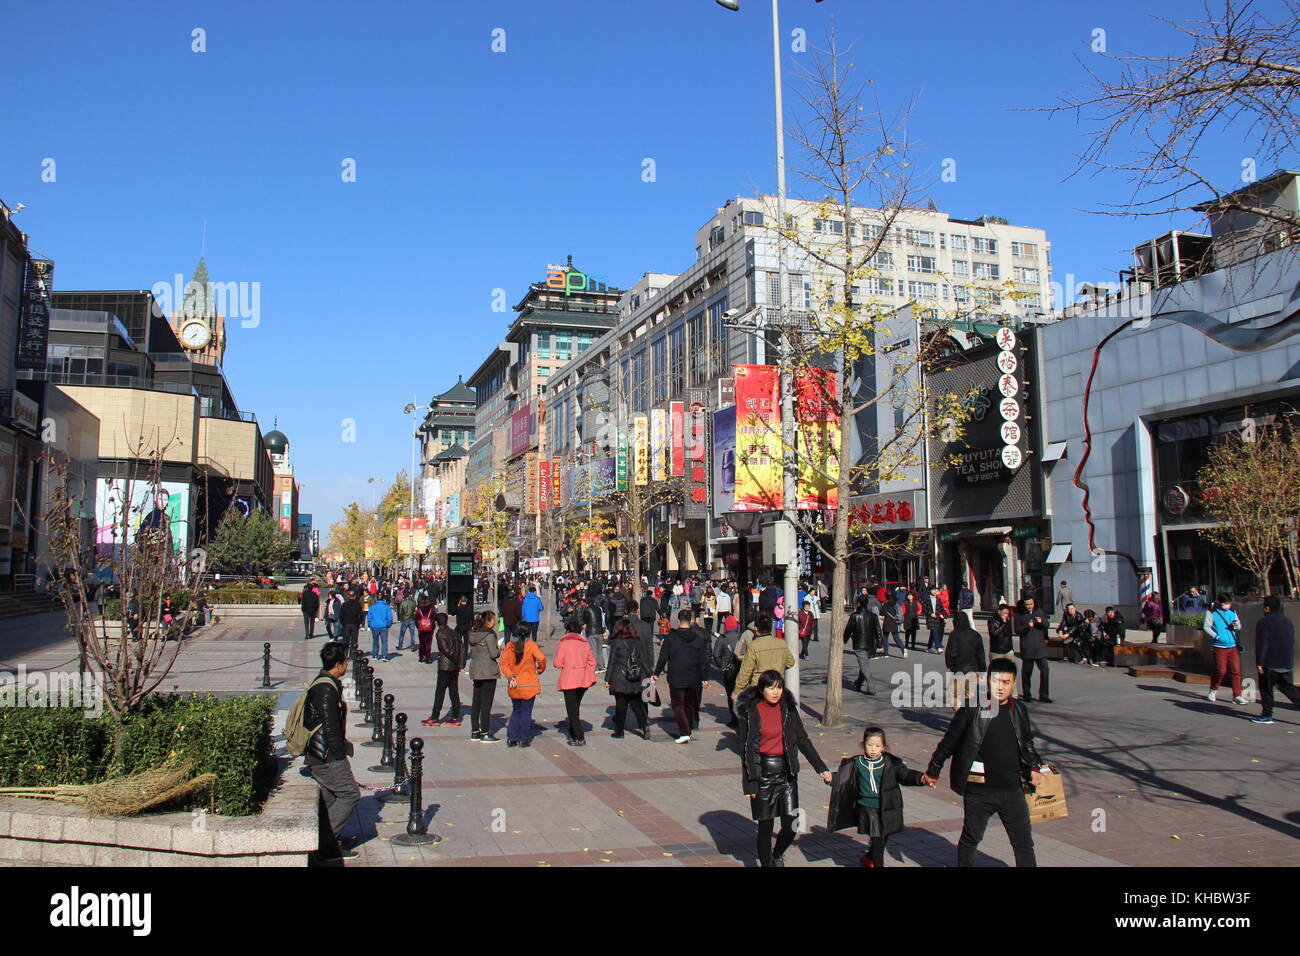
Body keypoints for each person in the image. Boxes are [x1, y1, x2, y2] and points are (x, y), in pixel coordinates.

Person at [922, 659, 1044, 867]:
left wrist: (1035, 766)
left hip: (1013, 790)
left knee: (1023, 843)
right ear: (988, 681)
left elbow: (1027, 743)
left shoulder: (1019, 710)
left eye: (1006, 682)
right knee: (971, 839)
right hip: (980, 791)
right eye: (996, 681)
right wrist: (933, 770)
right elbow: (949, 743)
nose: (1000, 687)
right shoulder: (972, 709)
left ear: (1014, 684)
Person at [735, 670, 832, 867]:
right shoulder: (751, 711)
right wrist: (751, 783)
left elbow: (802, 739)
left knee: (790, 824)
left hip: (786, 774)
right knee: (765, 826)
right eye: (771, 688)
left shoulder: (788, 708)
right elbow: (746, 749)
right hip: (762, 774)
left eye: (778, 687)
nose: (775, 692)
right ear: (762, 690)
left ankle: (777, 854)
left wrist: (820, 767)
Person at [827, 727, 928, 867]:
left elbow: (904, 775)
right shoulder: (857, 762)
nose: (873, 749)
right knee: (878, 840)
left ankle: (868, 858)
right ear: (863, 744)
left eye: (877, 746)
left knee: (882, 838)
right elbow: (843, 779)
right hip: (868, 808)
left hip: (886, 807)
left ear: (883, 747)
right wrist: (830, 778)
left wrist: (921, 778)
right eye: (870, 745)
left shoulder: (890, 764)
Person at [304, 642, 360, 862]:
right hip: (325, 755)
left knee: (328, 799)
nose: (347, 663)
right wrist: (339, 755)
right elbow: (330, 728)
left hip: (320, 753)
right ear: (338, 664)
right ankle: (326, 844)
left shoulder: (326, 683)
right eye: (345, 660)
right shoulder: (326, 689)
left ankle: (324, 843)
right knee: (350, 793)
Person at [652, 609, 711, 744]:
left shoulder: (671, 638)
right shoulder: (698, 638)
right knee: (689, 704)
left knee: (678, 704)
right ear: (690, 622)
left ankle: (684, 732)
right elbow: (703, 660)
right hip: (693, 676)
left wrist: (656, 673)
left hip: (676, 676)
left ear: (678, 622)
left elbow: (663, 657)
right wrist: (704, 678)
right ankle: (688, 728)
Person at [1254, 594, 1299, 724]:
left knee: (1266, 689)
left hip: (1270, 661)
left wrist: (1260, 662)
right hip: (1286, 661)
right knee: (1288, 688)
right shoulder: (1287, 621)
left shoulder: (1264, 622)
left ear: (1267, 608)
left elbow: (1262, 643)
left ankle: (1267, 715)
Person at [500, 623, 547, 747]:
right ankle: (524, 739)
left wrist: (510, 676)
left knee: (516, 711)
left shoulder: (510, 646)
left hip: (515, 684)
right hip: (529, 684)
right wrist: (540, 669)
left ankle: (512, 738)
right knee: (526, 712)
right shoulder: (531, 645)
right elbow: (541, 658)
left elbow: (503, 662)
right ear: (528, 633)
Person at [606, 618, 653, 739]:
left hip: (620, 676)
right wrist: (650, 673)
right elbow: (643, 660)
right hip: (635, 676)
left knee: (620, 705)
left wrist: (608, 679)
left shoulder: (616, 642)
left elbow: (612, 662)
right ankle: (644, 725)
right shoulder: (637, 642)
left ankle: (619, 731)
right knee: (636, 703)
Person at [555, 615, 597, 746]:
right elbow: (592, 661)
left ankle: (579, 736)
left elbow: (557, 662)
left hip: (569, 679)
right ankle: (573, 731)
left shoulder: (564, 642)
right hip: (583, 680)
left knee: (571, 709)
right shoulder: (584, 643)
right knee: (575, 706)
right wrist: (588, 674)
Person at [1204, 593, 1247, 705]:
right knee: (1221, 670)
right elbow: (1206, 627)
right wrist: (1217, 636)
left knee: (1236, 670)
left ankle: (1237, 695)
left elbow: (1239, 626)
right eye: (1225, 603)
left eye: (1229, 603)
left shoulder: (1232, 611)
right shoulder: (1212, 612)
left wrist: (1235, 625)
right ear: (1219, 602)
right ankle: (1213, 689)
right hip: (1219, 646)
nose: (1227, 605)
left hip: (1232, 645)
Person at [734, 613, 796, 692]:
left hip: (758, 686)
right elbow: (790, 662)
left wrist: (737, 689)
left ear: (756, 629)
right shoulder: (781, 643)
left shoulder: (753, 646)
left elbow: (745, 671)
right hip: (776, 685)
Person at [467, 611, 502, 742]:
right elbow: (493, 654)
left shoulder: (473, 634)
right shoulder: (489, 635)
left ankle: (474, 731)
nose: (495, 622)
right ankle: (485, 732)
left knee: (476, 701)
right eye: (493, 619)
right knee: (486, 703)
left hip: (476, 670)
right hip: (488, 671)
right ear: (488, 621)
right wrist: (499, 649)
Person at [424, 612, 465, 726]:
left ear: (437, 622)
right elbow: (462, 648)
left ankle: (434, 716)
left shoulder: (440, 633)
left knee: (440, 692)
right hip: (454, 667)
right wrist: (461, 664)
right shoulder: (454, 632)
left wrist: (456, 660)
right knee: (454, 692)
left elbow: (445, 650)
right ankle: (456, 716)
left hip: (445, 666)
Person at [945, 612, 986, 708]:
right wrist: (982, 669)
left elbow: (950, 653)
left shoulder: (954, 635)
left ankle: (961, 716)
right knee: (970, 697)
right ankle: (969, 717)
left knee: (954, 695)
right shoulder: (975, 634)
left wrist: (951, 665)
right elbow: (981, 654)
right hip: (974, 669)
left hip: (959, 669)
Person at [1015, 596, 1051, 703]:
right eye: (1027, 604)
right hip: (1028, 647)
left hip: (1040, 648)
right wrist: (1027, 627)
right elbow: (1017, 630)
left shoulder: (1039, 611)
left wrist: (1040, 622)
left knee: (1045, 671)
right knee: (1026, 673)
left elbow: (1046, 624)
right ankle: (1027, 694)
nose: (1030, 606)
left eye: (1031, 604)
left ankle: (1044, 695)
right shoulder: (1019, 615)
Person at [713, 614, 743, 726]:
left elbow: (716, 655)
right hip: (740, 669)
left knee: (731, 694)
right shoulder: (741, 636)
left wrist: (721, 666)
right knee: (740, 693)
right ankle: (741, 717)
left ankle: (734, 718)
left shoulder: (722, 639)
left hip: (728, 671)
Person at [845, 598, 878, 695]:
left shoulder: (855, 615)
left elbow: (849, 629)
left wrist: (844, 639)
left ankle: (871, 686)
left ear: (858, 604)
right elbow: (878, 631)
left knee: (864, 665)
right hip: (871, 644)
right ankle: (858, 682)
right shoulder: (873, 616)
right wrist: (879, 644)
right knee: (863, 664)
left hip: (859, 643)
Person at [366, 594, 393, 660]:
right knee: (384, 641)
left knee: (375, 641)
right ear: (383, 599)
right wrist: (388, 624)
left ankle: (375, 655)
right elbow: (390, 617)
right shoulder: (386, 607)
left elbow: (369, 617)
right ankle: (384, 655)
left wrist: (370, 624)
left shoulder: (372, 607)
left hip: (374, 626)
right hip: (384, 626)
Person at [414, 597, 437, 664]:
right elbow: (434, 618)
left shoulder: (419, 610)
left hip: (421, 629)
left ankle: (421, 657)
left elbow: (416, 619)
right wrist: (432, 627)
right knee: (428, 644)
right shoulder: (432, 609)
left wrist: (418, 627)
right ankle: (428, 658)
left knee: (421, 643)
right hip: (430, 629)